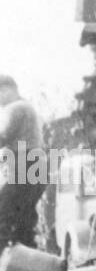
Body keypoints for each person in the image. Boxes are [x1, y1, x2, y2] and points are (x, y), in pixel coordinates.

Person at [0, 75, 47, 249]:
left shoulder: (15, 108)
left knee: (3, 213)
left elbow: (3, 137)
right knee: (25, 218)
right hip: (37, 162)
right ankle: (27, 265)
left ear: (7, 90)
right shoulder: (28, 108)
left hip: (23, 163)